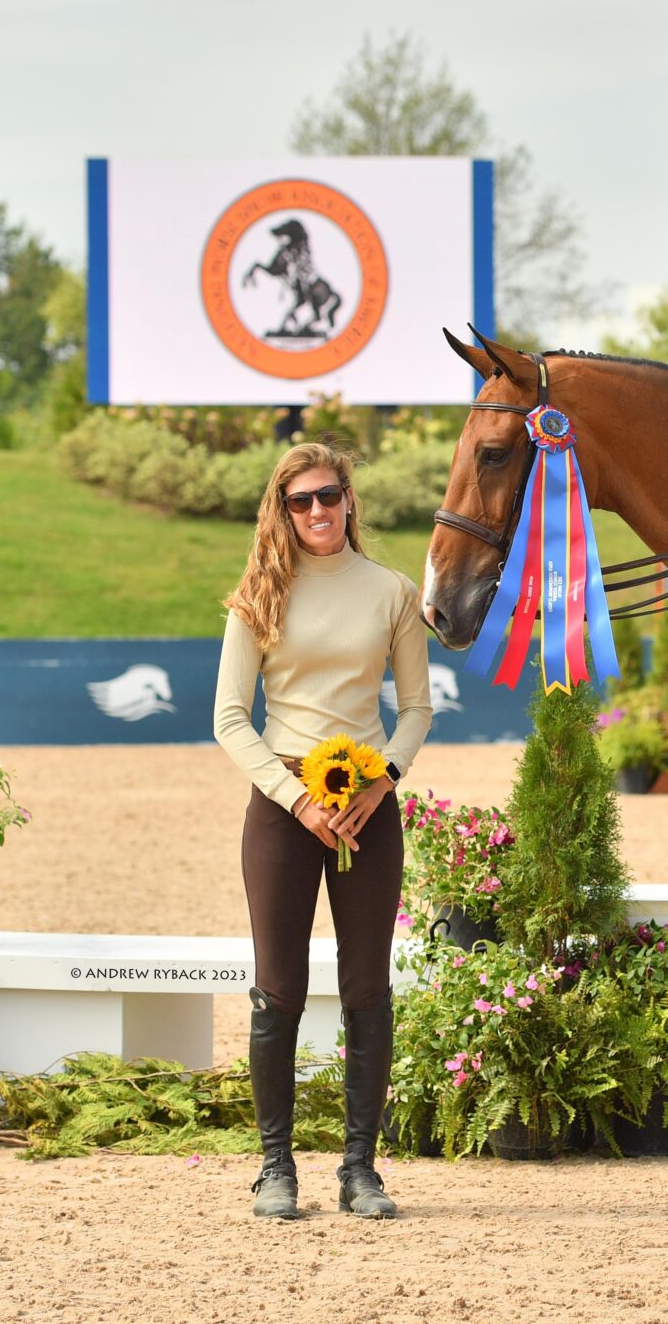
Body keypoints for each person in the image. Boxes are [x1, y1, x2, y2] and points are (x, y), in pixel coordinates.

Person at [213, 440, 433, 1220]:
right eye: (300, 500)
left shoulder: (392, 591)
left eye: (328, 496)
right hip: (283, 805)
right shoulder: (257, 596)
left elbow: (416, 710)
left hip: (368, 808)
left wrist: (383, 780)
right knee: (280, 988)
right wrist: (296, 799)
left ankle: (360, 1169)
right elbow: (230, 719)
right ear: (283, 508)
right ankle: (276, 1167)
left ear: (349, 499)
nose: (317, 511)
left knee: (368, 987)